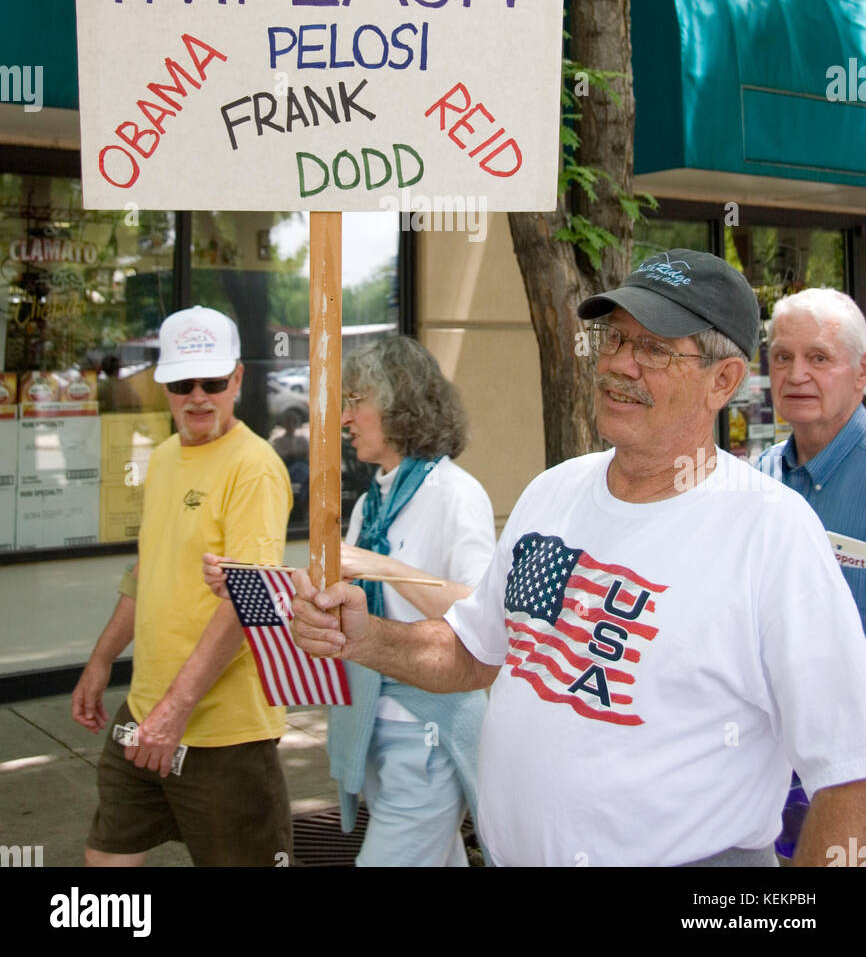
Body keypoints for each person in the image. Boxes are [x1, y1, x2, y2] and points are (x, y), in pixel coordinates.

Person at [291, 250, 866, 868]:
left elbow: (849, 772)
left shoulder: (771, 531)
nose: (619, 364)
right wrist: (364, 635)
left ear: (723, 381)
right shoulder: (553, 493)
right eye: (614, 338)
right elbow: (470, 651)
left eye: (654, 349)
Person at [206, 334, 496, 867]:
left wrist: (381, 565)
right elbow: (344, 596)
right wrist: (249, 581)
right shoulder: (373, 500)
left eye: (356, 402)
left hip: (425, 730)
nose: (343, 419)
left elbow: (483, 612)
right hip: (371, 722)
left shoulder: (456, 492)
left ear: (398, 403)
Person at [72, 306, 293, 868]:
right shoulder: (166, 457)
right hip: (144, 709)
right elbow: (147, 571)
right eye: (181, 383)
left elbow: (251, 603)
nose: (198, 396)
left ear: (237, 379)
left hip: (224, 730)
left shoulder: (255, 468)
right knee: (105, 861)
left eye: (213, 382)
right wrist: (100, 663)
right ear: (164, 386)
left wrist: (175, 712)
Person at [756, 287, 866, 862]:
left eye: (819, 357)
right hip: (773, 768)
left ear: (862, 372)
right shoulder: (756, 481)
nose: (796, 374)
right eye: (781, 357)